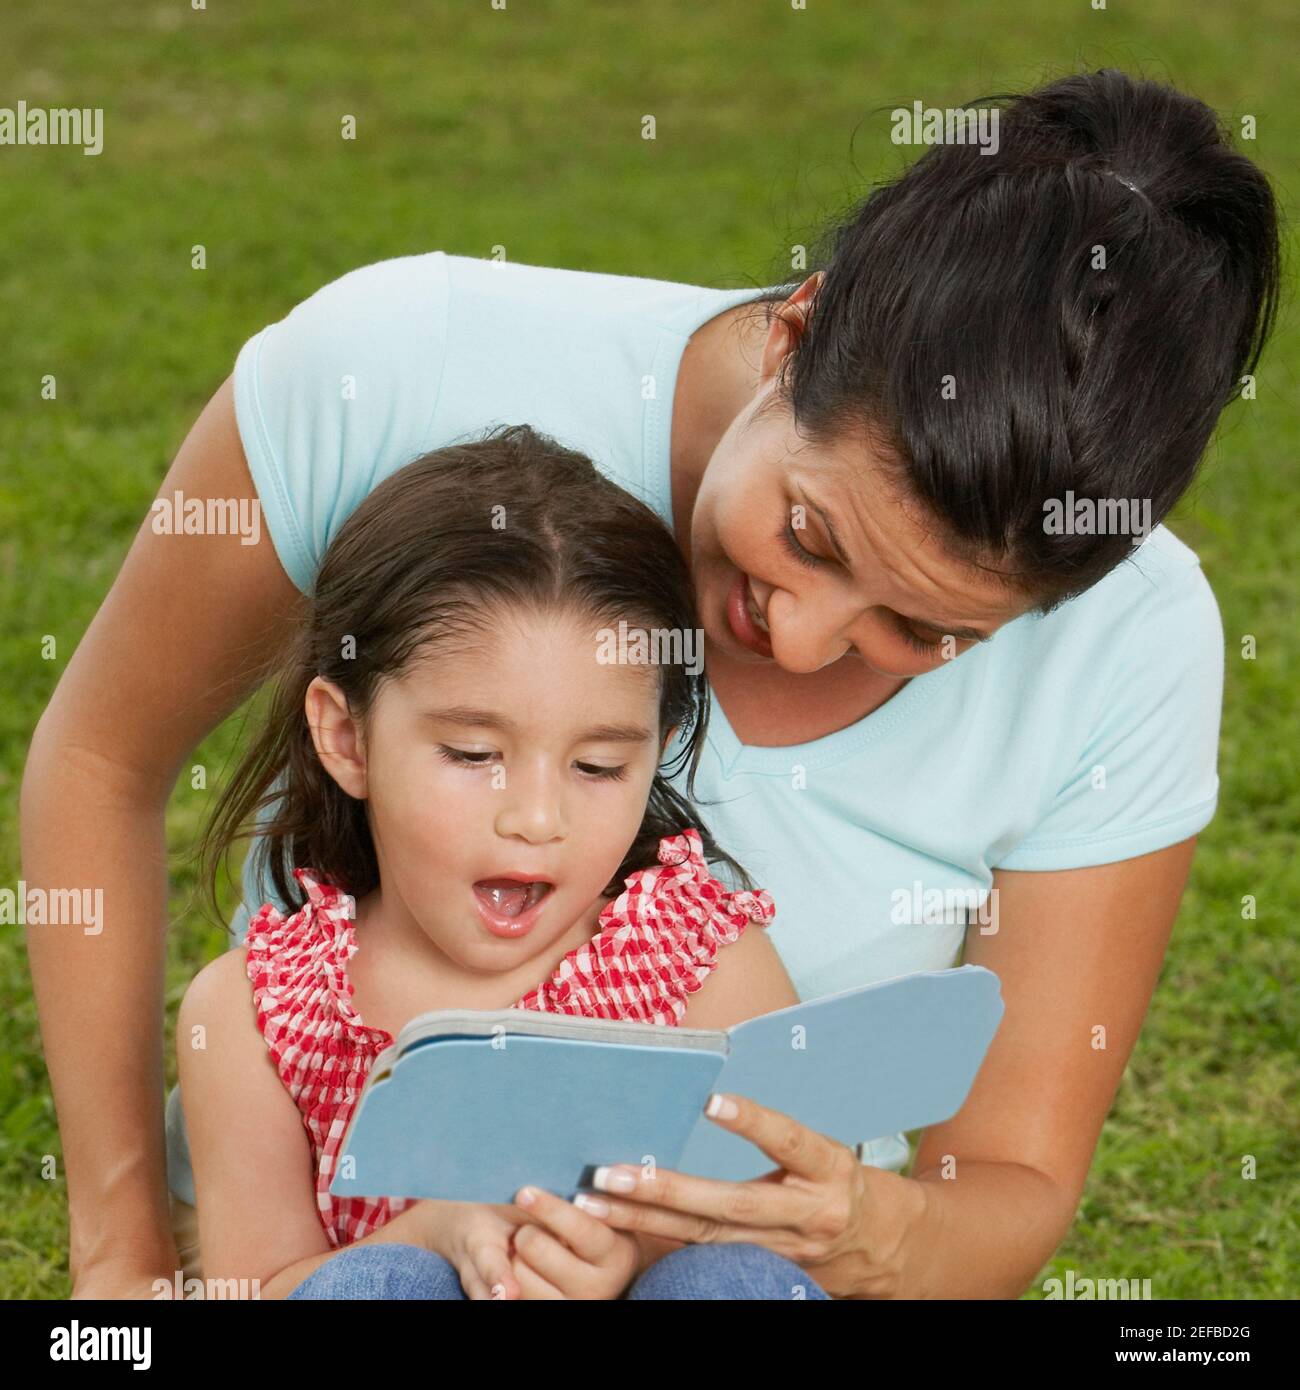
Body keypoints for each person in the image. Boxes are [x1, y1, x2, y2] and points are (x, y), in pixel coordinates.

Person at [22, 69, 1279, 1300]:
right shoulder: (399, 366)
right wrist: (120, 1266)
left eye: (923, 628)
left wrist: (862, 1234)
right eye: (810, 534)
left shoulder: (1132, 640)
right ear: (796, 330)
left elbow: (1003, 1181)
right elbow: (99, 763)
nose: (796, 641)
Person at [175, 431, 801, 1298]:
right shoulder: (262, 1017)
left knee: (738, 1275)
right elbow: (262, 1286)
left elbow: (796, 1225)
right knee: (377, 1281)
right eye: (473, 754)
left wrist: (627, 1260)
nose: (536, 819)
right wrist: (433, 1232)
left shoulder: (701, 967)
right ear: (348, 737)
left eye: (598, 768)